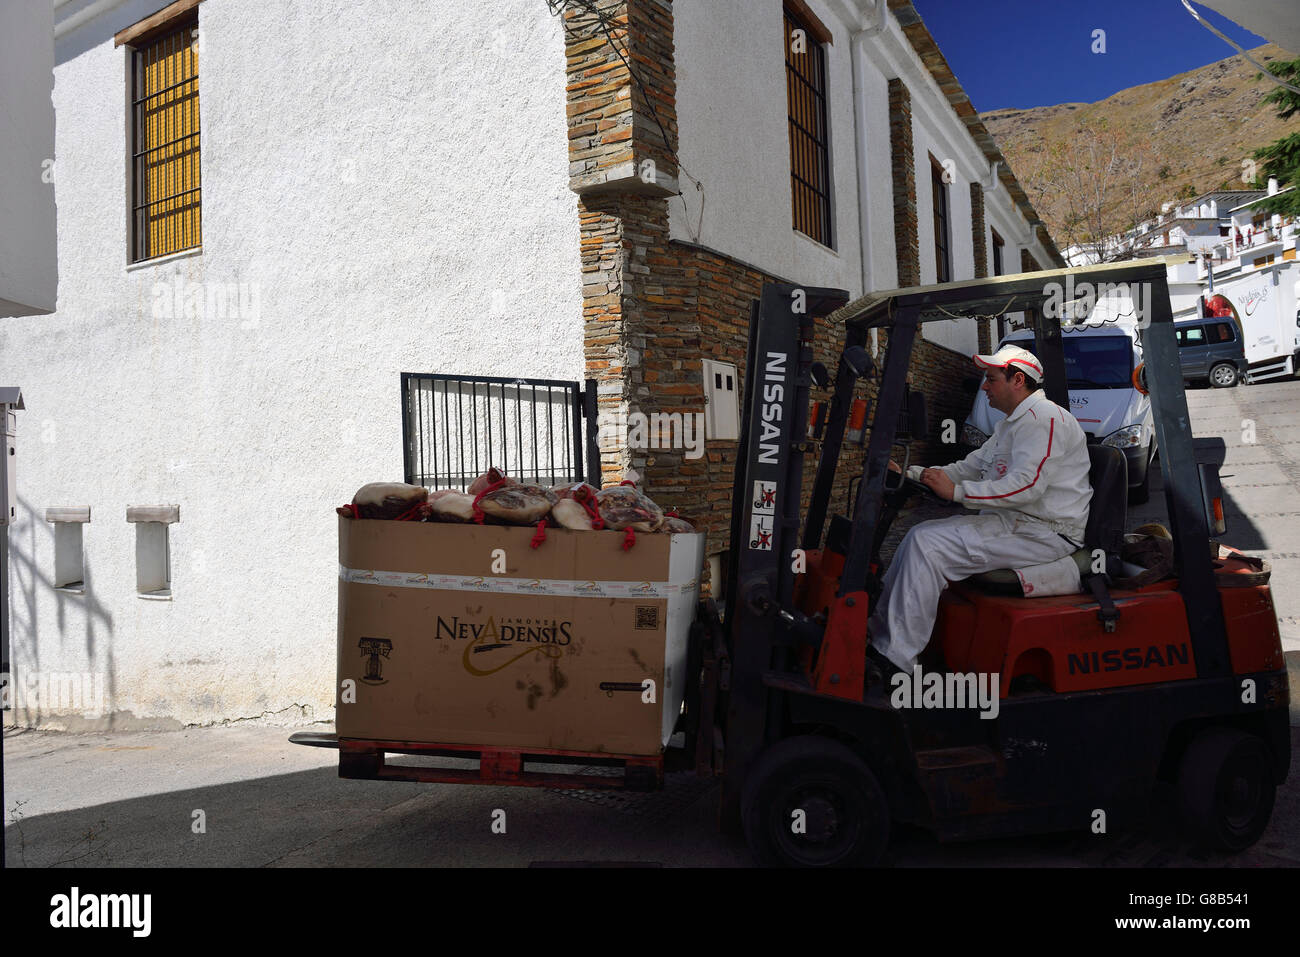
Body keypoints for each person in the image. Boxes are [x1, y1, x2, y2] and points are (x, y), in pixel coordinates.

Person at [867, 345, 1093, 673]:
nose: (984, 387)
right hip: (1016, 524)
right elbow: (968, 468)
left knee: (927, 545)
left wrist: (958, 493)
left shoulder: (1046, 419)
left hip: (1046, 532)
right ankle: (878, 634)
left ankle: (894, 662)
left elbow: (1027, 486)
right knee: (917, 535)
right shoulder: (1009, 426)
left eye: (990, 379)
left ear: (1018, 379)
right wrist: (911, 473)